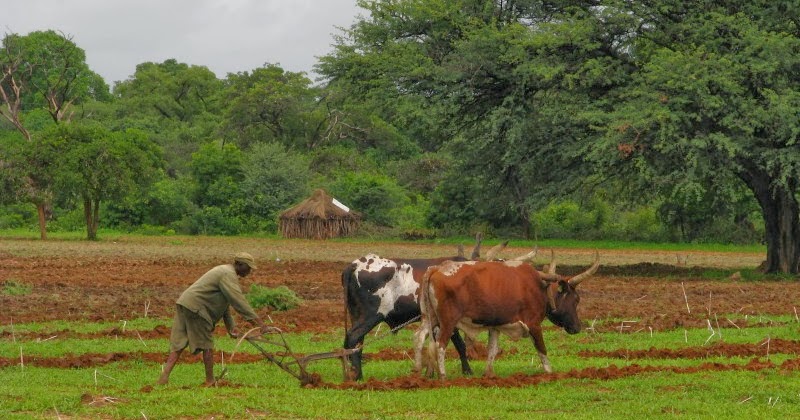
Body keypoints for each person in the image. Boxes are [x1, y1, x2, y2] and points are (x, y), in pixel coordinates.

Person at [157, 252, 269, 386]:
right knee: (207, 345)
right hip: (197, 307)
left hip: (185, 303)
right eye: (248, 267)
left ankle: (163, 378)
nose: (250, 271)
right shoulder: (228, 274)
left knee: (179, 343)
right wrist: (259, 323)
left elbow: (225, 303)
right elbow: (238, 301)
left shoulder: (224, 271)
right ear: (239, 264)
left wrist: (231, 327)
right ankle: (210, 380)